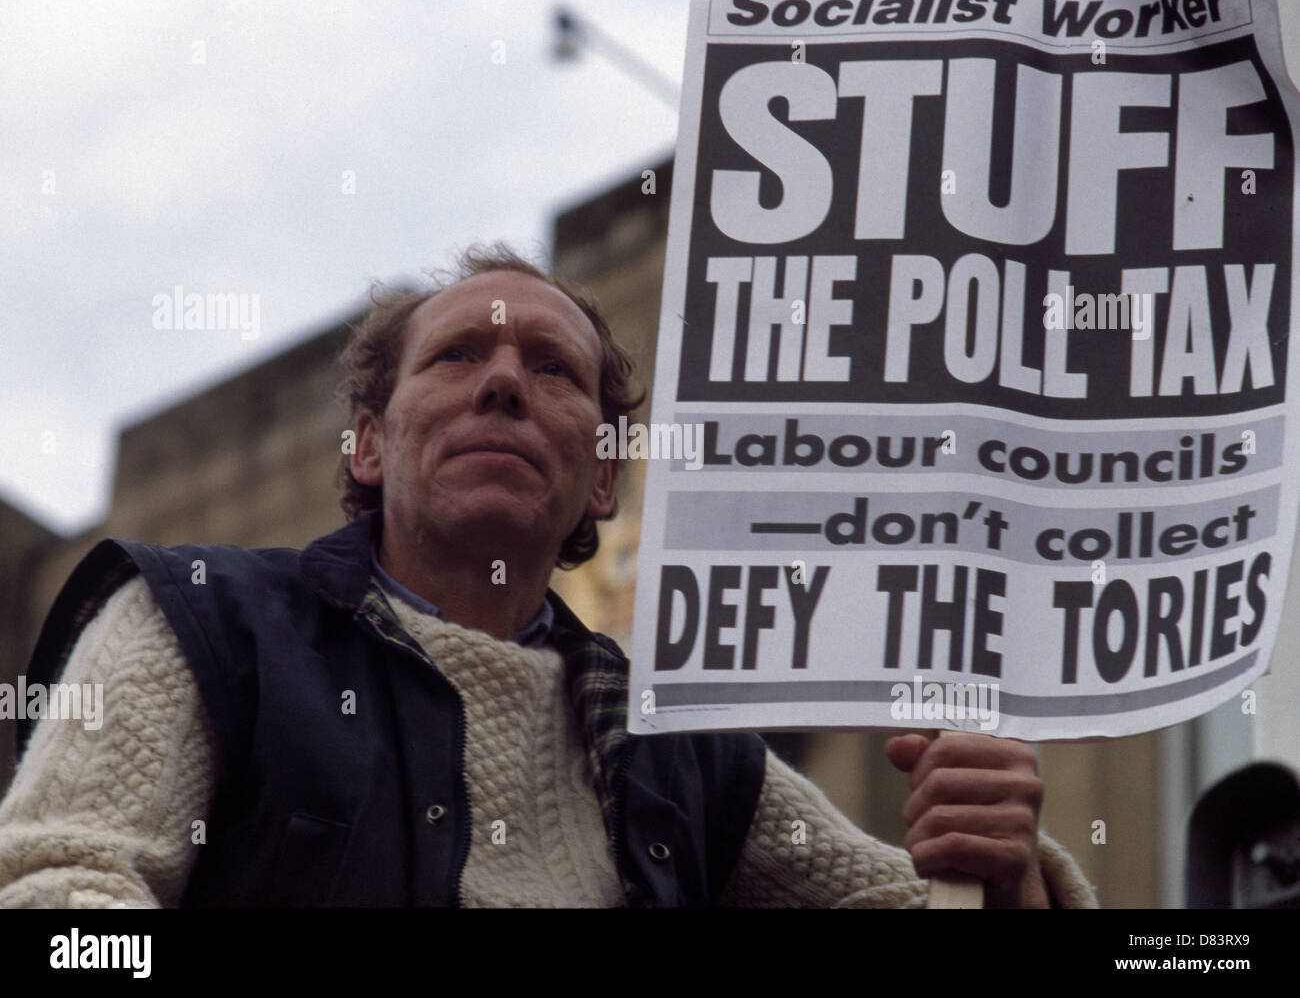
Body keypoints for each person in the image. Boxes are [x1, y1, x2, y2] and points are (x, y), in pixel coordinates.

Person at [0, 244, 1096, 908]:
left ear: (607, 478)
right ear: (367, 446)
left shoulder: (694, 757)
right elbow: (58, 885)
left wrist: (1003, 870)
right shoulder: (202, 623)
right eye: (458, 356)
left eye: (552, 367)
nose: (505, 385)